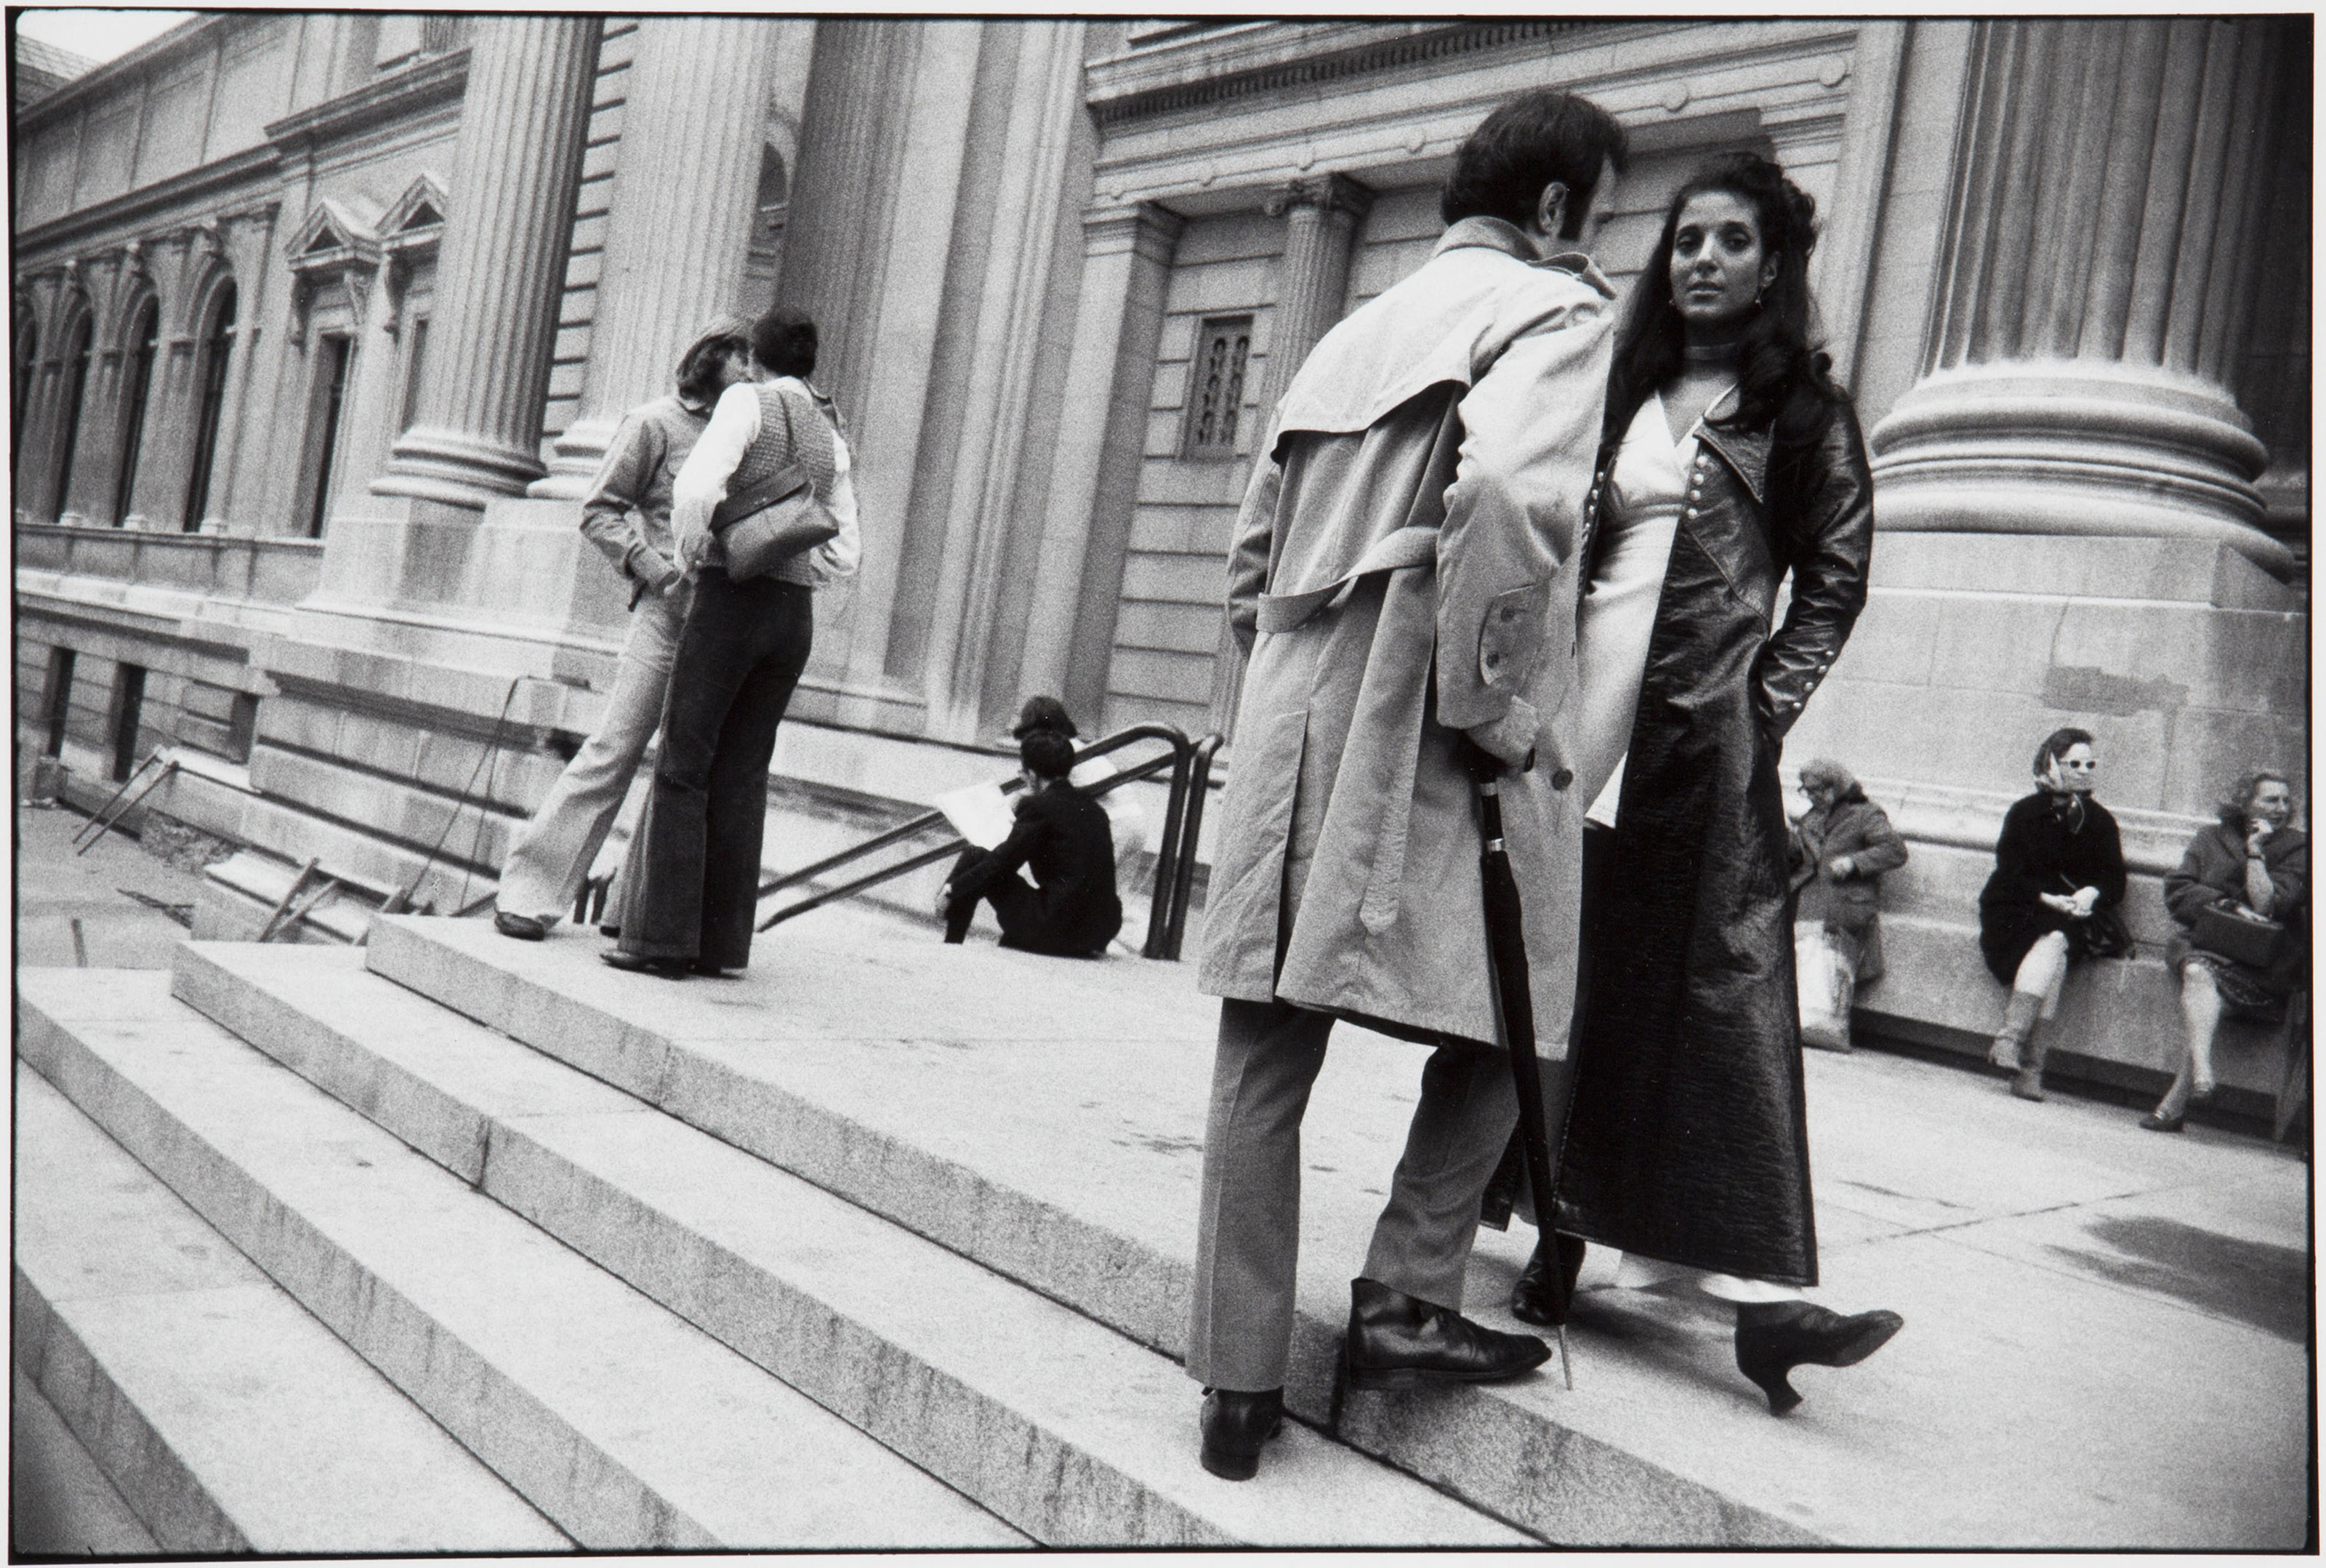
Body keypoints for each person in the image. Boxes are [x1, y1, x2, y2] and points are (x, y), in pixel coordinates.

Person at [1188, 88, 1628, 1481]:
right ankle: (1407, 1290)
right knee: (1528, 996)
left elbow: (1253, 558)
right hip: (1417, 713)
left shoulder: (1346, 330)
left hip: (1295, 708)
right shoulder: (1557, 315)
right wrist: (1492, 707)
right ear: (1558, 209)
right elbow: (1506, 489)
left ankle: (1236, 1387)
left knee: (1264, 1046)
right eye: (1598, 215)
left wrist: (1263, 709)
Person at [1517, 152, 1903, 1418]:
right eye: (1687, 238)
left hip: (1704, 743)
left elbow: (1832, 580)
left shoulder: (1800, 411)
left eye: (1732, 239)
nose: (1702, 258)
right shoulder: (1618, 382)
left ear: (1774, 262)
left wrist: (1760, 706)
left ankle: (1757, 1293)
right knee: (1557, 978)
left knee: (1718, 997)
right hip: (1577, 716)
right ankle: (1550, 1224)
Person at [605, 307, 859, 978]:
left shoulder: (748, 400)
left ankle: (659, 942)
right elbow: (846, 549)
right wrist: (794, 566)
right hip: (793, 614)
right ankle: (722, 947)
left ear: (758, 357)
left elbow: (694, 489)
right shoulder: (830, 428)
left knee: (685, 764)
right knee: (744, 776)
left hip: (730, 602)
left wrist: (693, 552)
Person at [492, 318, 754, 941]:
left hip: (724, 619)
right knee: (616, 747)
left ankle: (636, 910)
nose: (752, 373)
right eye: (743, 360)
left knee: (688, 766)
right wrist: (658, 571)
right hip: (666, 614)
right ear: (713, 359)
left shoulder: (746, 430)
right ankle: (530, 895)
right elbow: (599, 511)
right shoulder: (654, 423)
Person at [2144, 771, 2308, 1132]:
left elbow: (2268, 905)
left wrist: (2254, 851)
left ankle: (2183, 1093)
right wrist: (2225, 905)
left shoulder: (2299, 847)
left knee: (2203, 984)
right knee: (2198, 972)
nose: (2281, 808)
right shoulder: (2209, 838)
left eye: (2285, 801)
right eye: (2270, 800)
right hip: (2209, 944)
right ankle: (2200, 1073)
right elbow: (2178, 890)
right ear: (2245, 801)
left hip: (2262, 966)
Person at [1978, 728, 2130, 1099]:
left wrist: (2091, 893)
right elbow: (2010, 870)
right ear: (2050, 764)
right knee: (2056, 945)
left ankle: (2011, 1042)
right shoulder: (2027, 812)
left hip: (2069, 916)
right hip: (2017, 907)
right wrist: (2047, 898)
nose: (2084, 770)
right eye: (2073, 763)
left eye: (2089, 763)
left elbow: (2114, 879)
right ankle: (2030, 1068)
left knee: (2058, 942)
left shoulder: (2099, 820)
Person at [935, 730, 1122, 956]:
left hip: (1057, 927)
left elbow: (1003, 863)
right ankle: (963, 941)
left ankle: (951, 945)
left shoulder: (1038, 806)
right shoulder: (1094, 809)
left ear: (1032, 775)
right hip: (1099, 930)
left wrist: (952, 889)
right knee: (987, 867)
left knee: (975, 856)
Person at [1788, 759, 1907, 1052]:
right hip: (1810, 902)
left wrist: (1855, 862)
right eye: (1807, 790)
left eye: (1817, 790)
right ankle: (1798, 1023)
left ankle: (1825, 1028)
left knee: (1830, 962)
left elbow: (1895, 850)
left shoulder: (1865, 815)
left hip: (1846, 904)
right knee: (1805, 958)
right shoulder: (1811, 818)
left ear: (1835, 787)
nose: (1812, 796)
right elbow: (1801, 859)